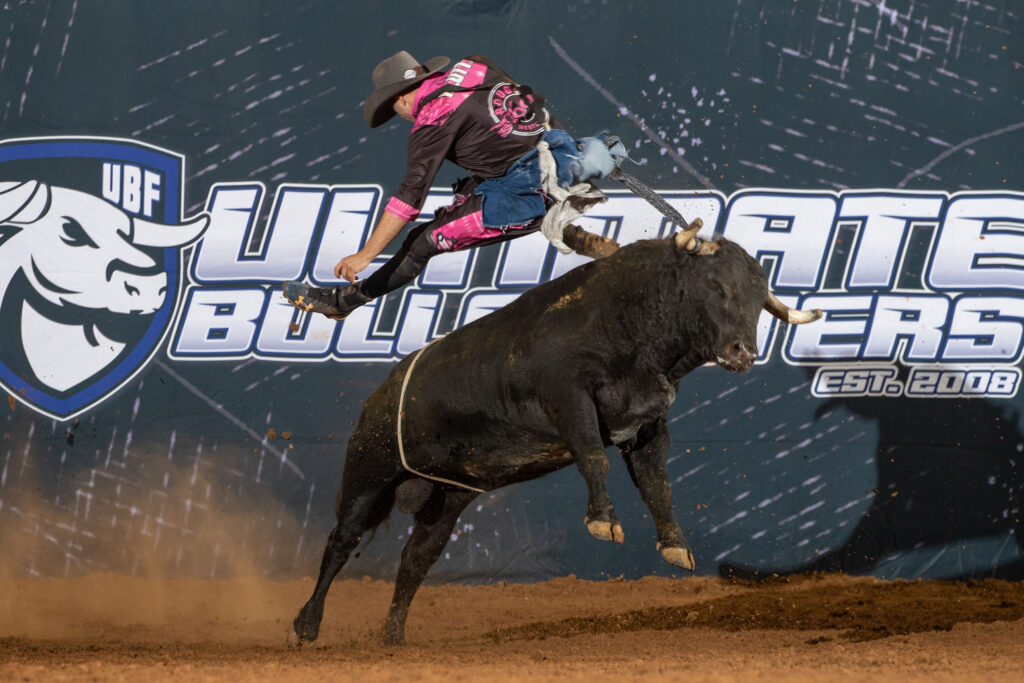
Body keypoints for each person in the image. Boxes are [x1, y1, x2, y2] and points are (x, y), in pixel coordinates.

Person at [283, 50, 625, 320]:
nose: (401, 117)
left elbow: (410, 197)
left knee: (422, 241)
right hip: (561, 153)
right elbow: (533, 105)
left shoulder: (432, 120)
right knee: (472, 190)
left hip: (527, 187)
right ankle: (569, 228)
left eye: (394, 110)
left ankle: (345, 303)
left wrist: (365, 255)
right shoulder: (477, 66)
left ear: (400, 98)